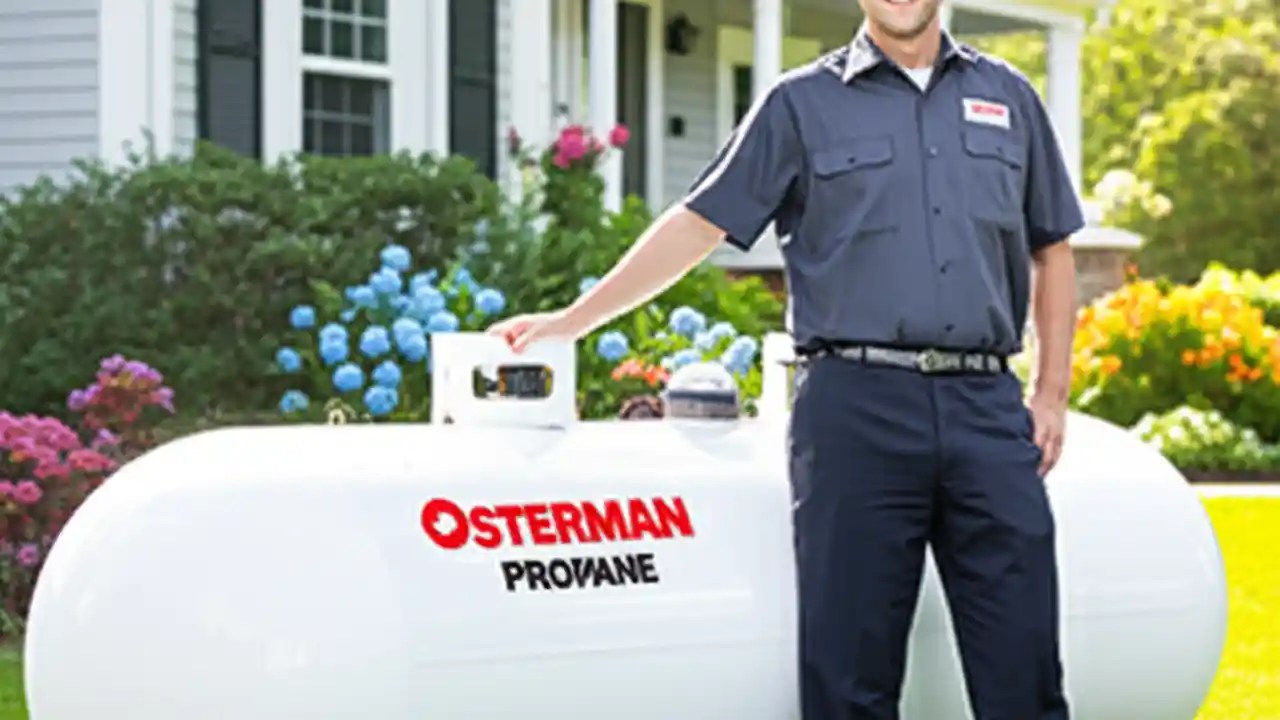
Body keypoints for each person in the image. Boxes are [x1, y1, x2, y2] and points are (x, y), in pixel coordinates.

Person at [488, 0, 1083, 716]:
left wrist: (1051, 392)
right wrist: (573, 321)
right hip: (855, 414)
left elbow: (1052, 248)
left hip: (984, 412)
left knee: (1025, 679)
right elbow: (698, 224)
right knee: (849, 684)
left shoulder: (1009, 97)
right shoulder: (800, 105)